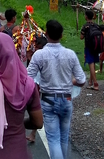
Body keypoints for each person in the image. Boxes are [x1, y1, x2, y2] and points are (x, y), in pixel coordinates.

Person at [27, 20, 86, 159]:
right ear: (61, 35)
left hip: (48, 99)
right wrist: (69, 82)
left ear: (46, 34)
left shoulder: (39, 55)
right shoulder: (70, 54)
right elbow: (82, 80)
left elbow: (27, 78)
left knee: (53, 139)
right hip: (66, 98)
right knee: (64, 138)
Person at [26, 35, 48, 144]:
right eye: (35, 47)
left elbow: (29, 73)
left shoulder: (42, 56)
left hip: (38, 85)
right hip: (34, 83)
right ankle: (32, 133)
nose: (36, 50)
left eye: (37, 48)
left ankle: (32, 132)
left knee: (36, 107)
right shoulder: (36, 55)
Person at [80, 9, 101, 91]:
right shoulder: (96, 25)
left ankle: (95, 83)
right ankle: (90, 82)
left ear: (86, 16)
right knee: (93, 64)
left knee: (91, 64)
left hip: (89, 47)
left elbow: (81, 37)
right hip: (97, 47)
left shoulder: (85, 26)